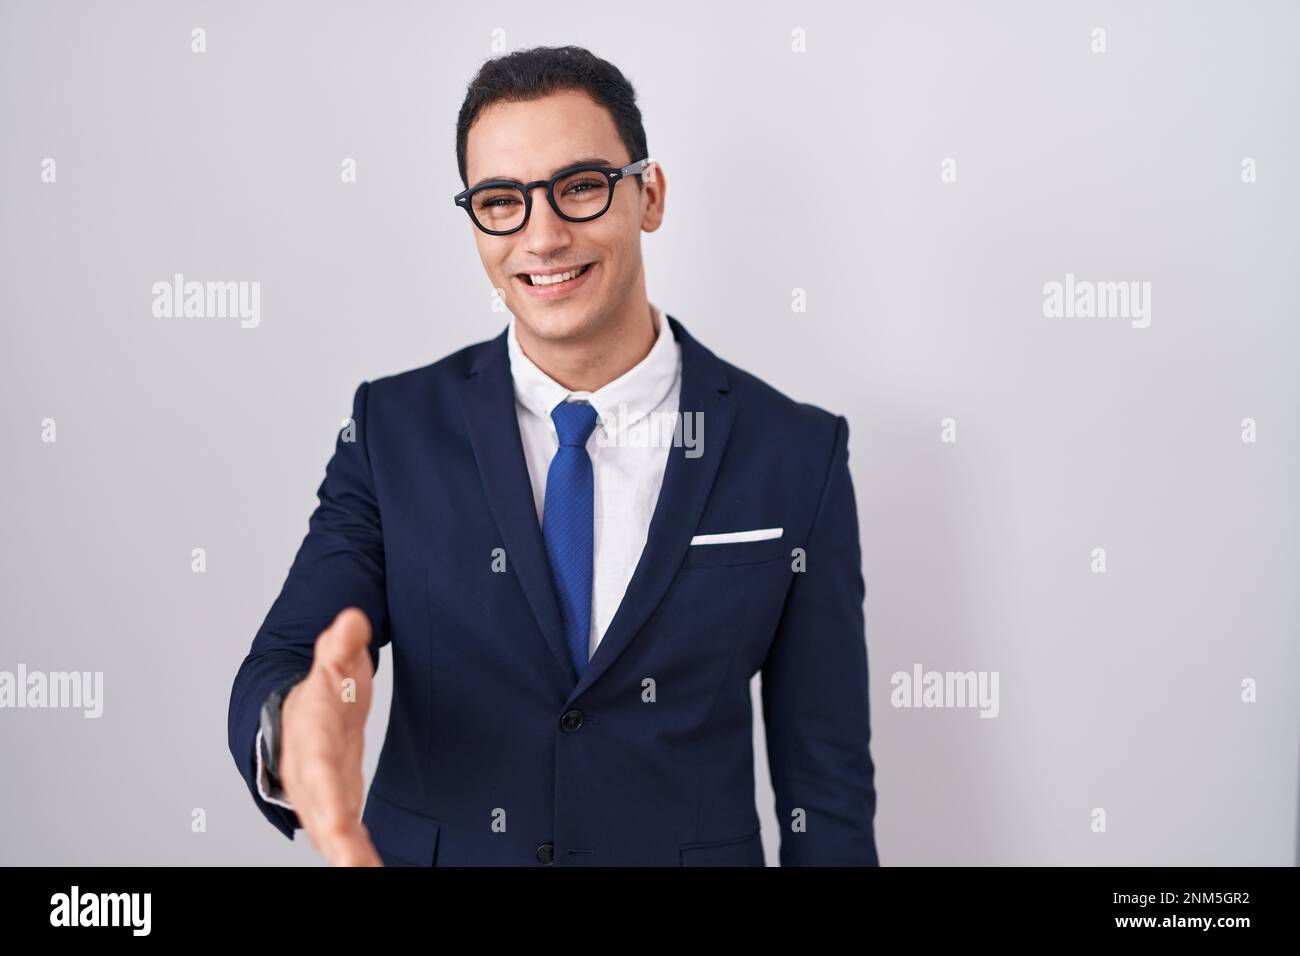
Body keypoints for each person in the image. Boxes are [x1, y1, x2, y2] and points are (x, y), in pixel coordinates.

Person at [227, 44, 879, 867]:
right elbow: (285, 657)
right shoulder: (390, 428)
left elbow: (827, 786)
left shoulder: (796, 452)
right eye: (502, 200)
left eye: (579, 186)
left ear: (650, 194)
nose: (542, 236)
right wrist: (295, 727)